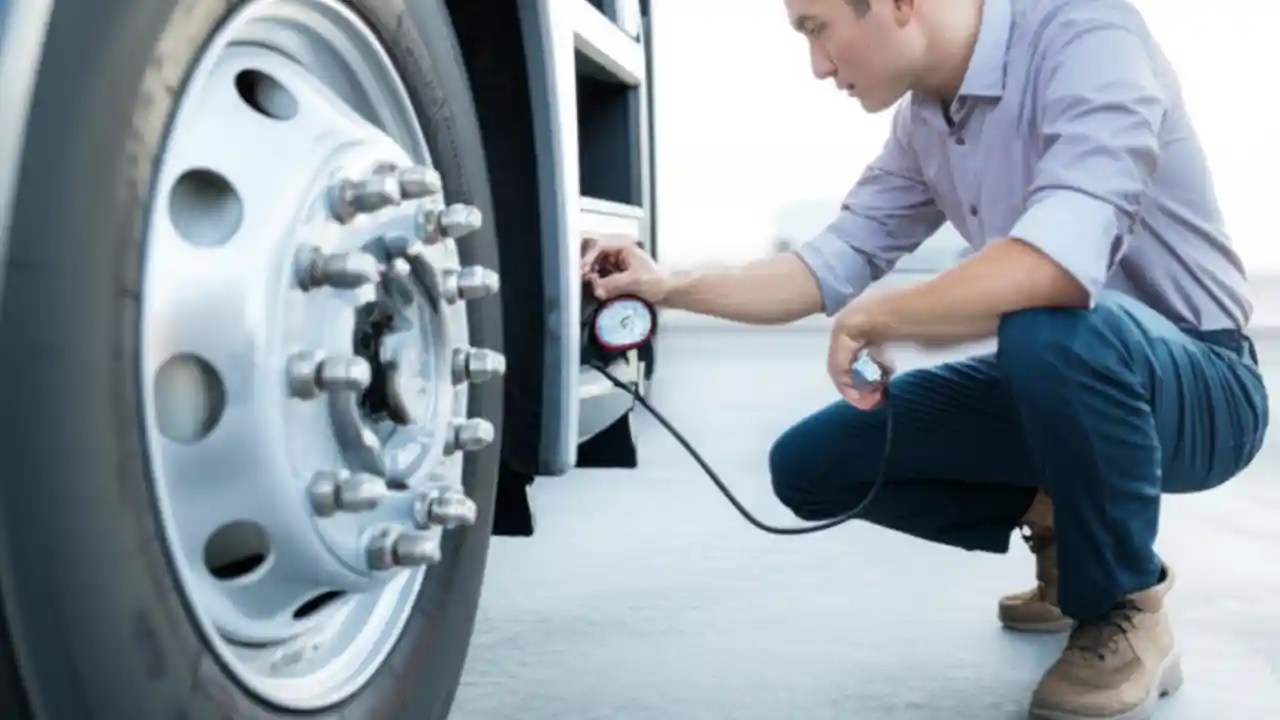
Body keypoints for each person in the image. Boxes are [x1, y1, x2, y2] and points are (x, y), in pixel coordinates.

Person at [580, 0, 1270, 718]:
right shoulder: (924, 124)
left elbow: (1060, 265)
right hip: (1062, 375)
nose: (818, 66)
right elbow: (823, 267)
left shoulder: (1089, 36)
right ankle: (1070, 518)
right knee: (813, 466)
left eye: (816, 27)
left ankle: (1124, 603)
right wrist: (668, 286)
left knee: (1047, 327)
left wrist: (887, 314)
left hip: (1204, 386)